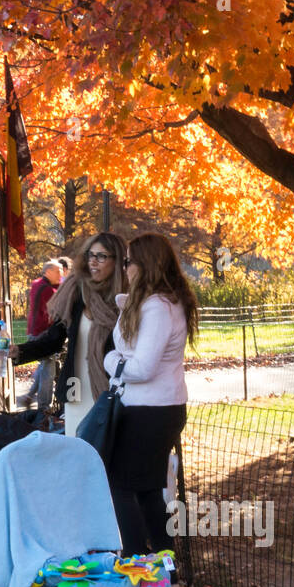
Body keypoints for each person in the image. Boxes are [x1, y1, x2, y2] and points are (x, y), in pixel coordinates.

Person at [102, 233, 198, 557]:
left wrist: (110, 361)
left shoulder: (158, 307)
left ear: (146, 265)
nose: (125, 268)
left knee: (120, 486)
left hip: (149, 412)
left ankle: (135, 566)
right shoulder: (161, 302)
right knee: (146, 492)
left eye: (129, 262)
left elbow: (142, 367)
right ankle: (165, 574)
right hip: (156, 409)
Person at [11, 232, 128, 437]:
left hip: (112, 391)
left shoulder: (127, 299)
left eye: (102, 256)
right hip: (78, 390)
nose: (94, 261)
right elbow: (54, 339)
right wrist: (19, 351)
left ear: (117, 261)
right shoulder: (77, 293)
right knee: (78, 451)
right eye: (91, 255)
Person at [19, 259, 64, 410]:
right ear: (48, 271)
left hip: (35, 331)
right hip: (42, 334)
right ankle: (44, 408)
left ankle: (29, 396)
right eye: (58, 272)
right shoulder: (46, 290)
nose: (61, 274)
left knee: (44, 367)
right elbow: (57, 306)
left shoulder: (37, 284)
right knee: (47, 374)